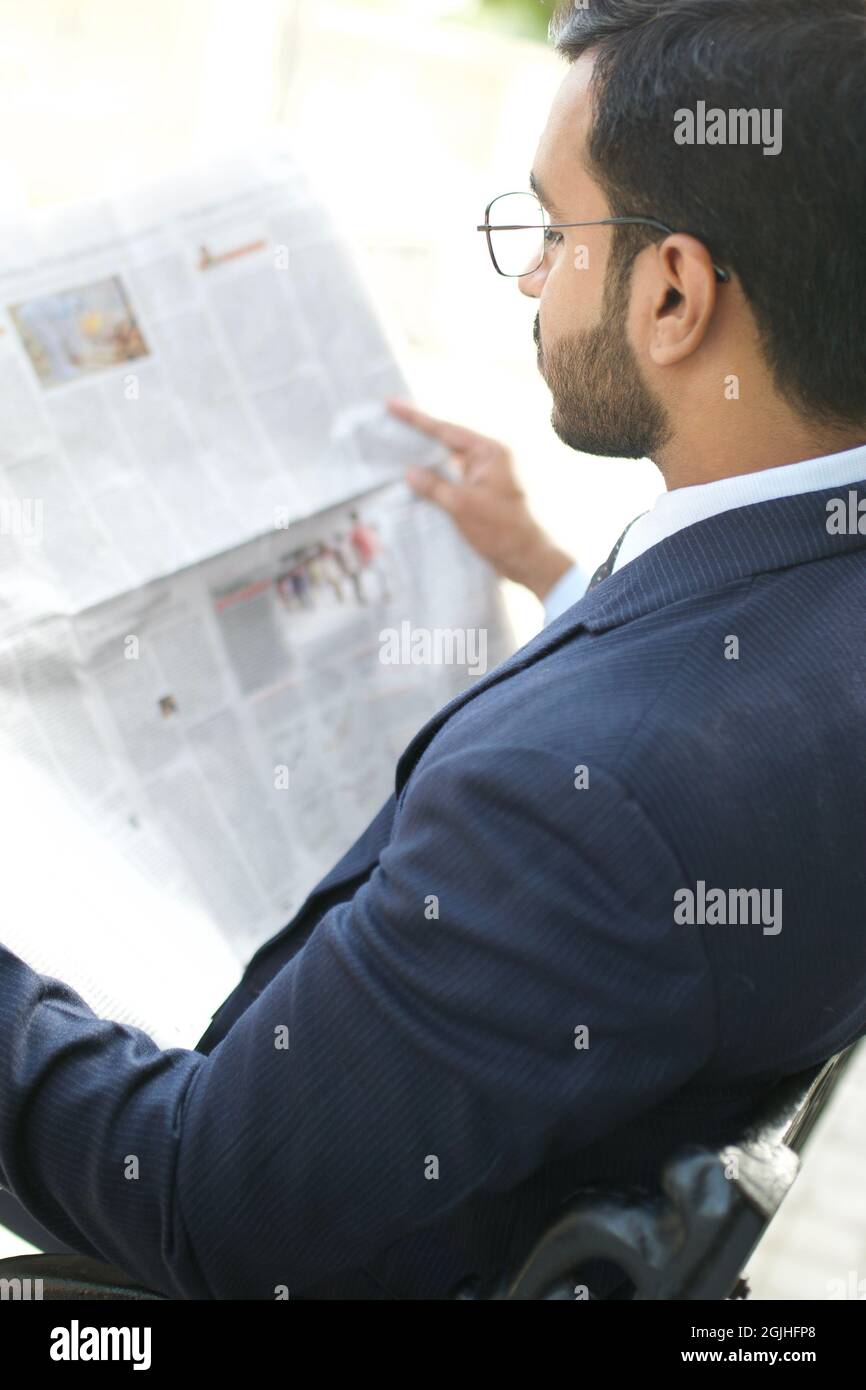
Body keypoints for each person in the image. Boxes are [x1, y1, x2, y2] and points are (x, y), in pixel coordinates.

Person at [3, 0, 866, 1301]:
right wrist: (540, 562)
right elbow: (727, 718)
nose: (528, 277)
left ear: (674, 293)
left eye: (551, 231)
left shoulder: (583, 806)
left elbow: (196, 1197)